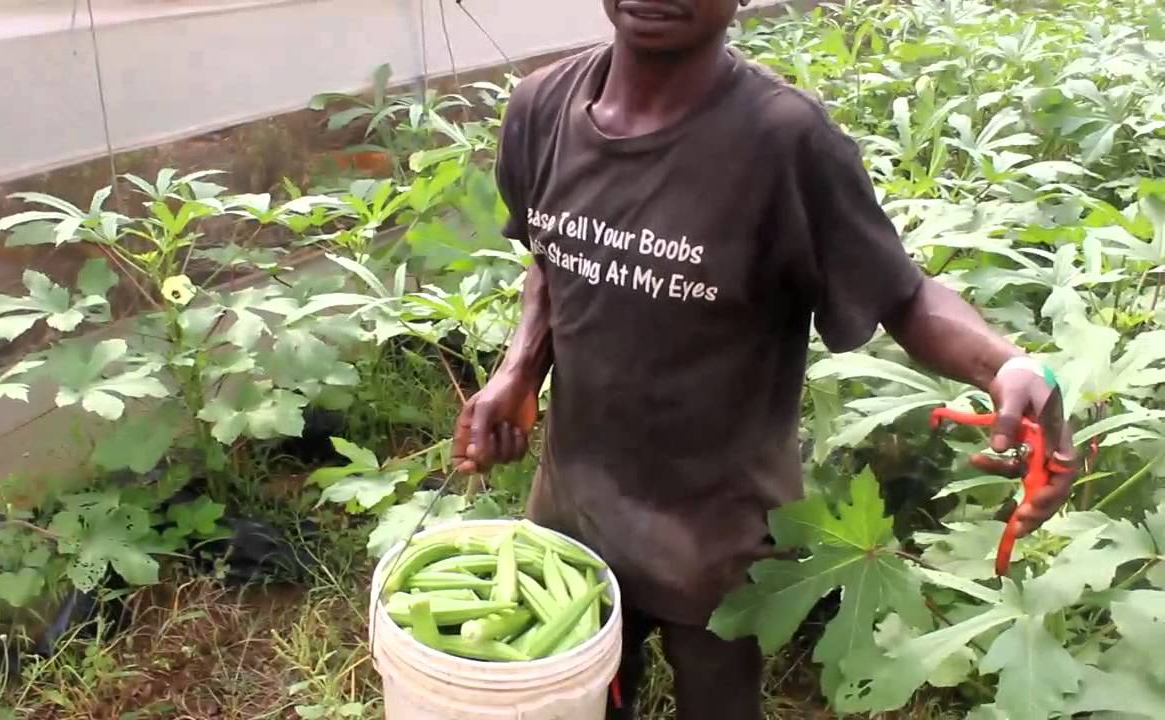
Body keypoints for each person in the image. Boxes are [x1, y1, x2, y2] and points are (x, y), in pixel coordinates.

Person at [450, 1, 1078, 717]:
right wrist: (521, 369)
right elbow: (553, 256)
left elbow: (901, 294)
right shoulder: (543, 107)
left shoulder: (784, 141)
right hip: (573, 511)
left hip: (713, 539)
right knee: (583, 701)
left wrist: (1010, 365)